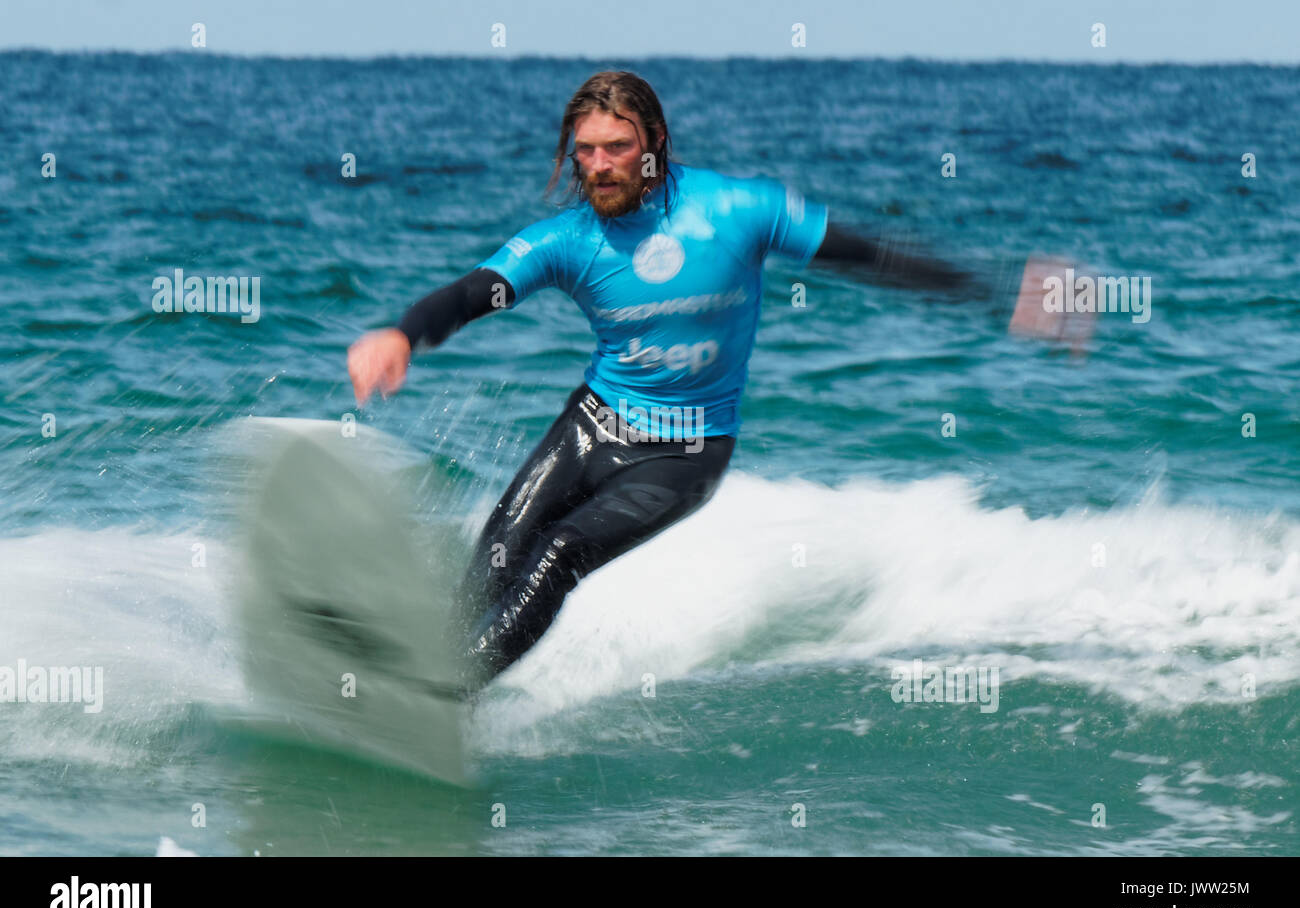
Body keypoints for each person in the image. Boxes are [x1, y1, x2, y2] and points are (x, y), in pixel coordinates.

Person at [348, 70, 973, 692]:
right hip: (593, 427)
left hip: (686, 453)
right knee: (497, 556)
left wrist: (991, 287)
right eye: (584, 151)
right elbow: (473, 292)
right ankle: (422, 669)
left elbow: (869, 255)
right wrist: (404, 333)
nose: (599, 166)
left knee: (561, 551)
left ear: (654, 144)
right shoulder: (569, 240)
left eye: (616, 147)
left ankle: (445, 691)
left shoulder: (740, 210)